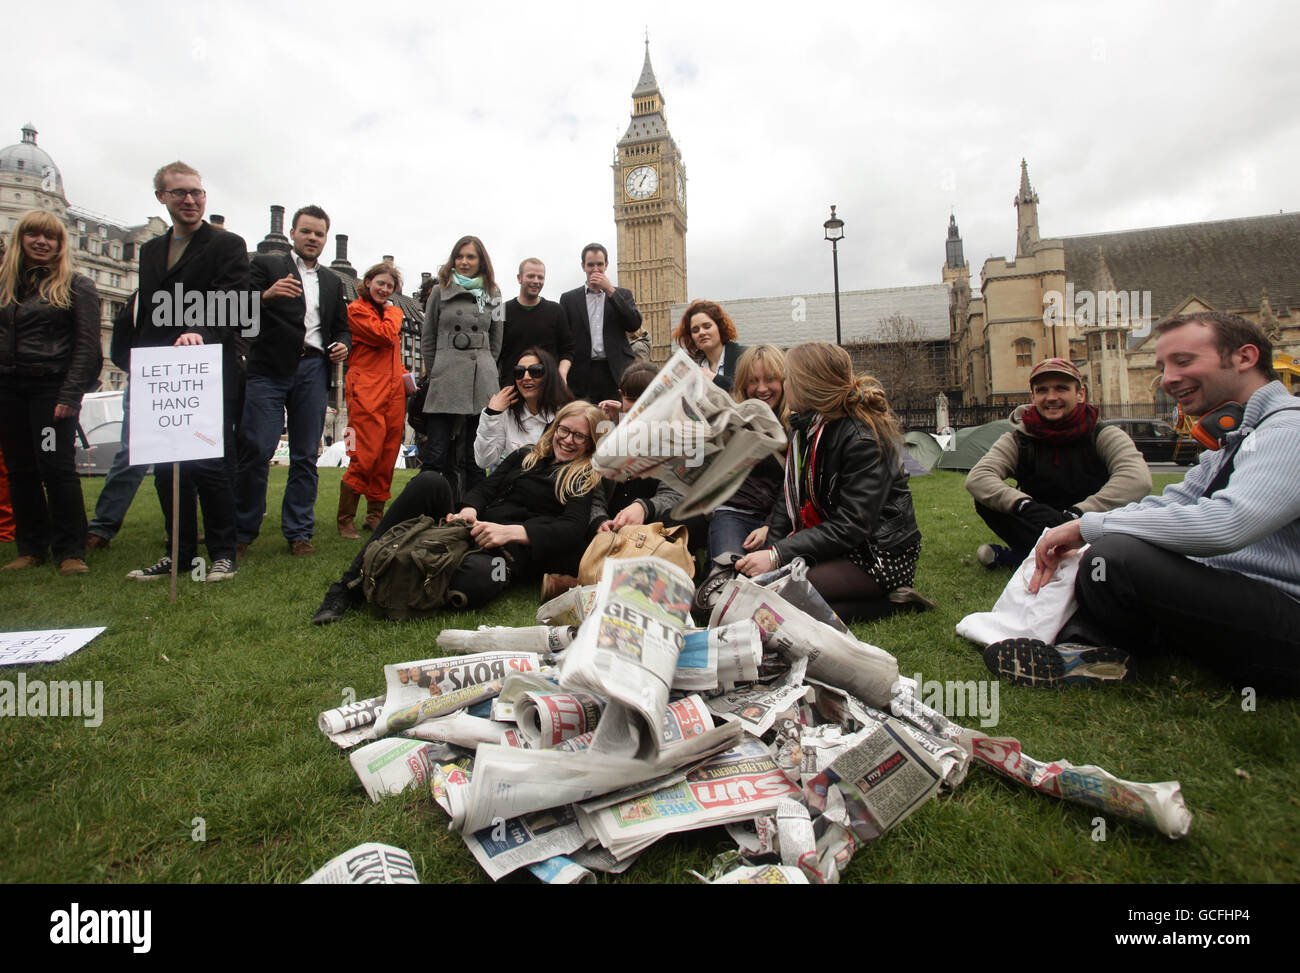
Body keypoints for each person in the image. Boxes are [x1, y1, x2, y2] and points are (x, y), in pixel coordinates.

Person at [984, 312, 1300, 694]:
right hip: (1231, 594)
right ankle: (1093, 651)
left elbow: (1227, 524)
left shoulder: (1286, 430)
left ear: (1244, 357)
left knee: (1115, 556)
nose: (1167, 379)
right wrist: (1061, 526)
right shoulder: (1234, 438)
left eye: (1183, 362)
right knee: (1099, 556)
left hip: (1285, 612)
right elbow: (1172, 501)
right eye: (1163, 367)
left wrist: (1084, 523)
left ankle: (1089, 646)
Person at [311, 401, 605, 624]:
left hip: (504, 554)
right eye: (564, 431)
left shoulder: (582, 476)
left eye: (579, 437)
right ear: (555, 429)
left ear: (590, 444)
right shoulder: (525, 455)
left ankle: (404, 577)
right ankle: (347, 587)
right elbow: (484, 489)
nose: (567, 440)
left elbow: (572, 529)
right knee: (429, 481)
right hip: (469, 528)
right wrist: (469, 510)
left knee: (476, 580)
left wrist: (509, 533)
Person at [734, 342, 933, 623]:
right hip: (839, 546)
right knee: (760, 590)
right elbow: (786, 502)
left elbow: (851, 525)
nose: (785, 385)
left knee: (780, 599)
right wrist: (770, 555)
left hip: (875, 554)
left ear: (807, 386)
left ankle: (892, 604)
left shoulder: (861, 438)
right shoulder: (805, 428)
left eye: (788, 378)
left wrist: (778, 555)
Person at [121, 162, 249, 582]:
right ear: (162, 197)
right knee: (167, 467)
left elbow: (234, 301)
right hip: (162, 370)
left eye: (196, 192)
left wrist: (201, 331)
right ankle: (178, 554)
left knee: (212, 465)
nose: (190, 200)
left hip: (207, 368)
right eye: (179, 193)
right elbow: (147, 314)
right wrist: (136, 360)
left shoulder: (226, 244)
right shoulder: (150, 251)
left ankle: (223, 552)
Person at [237, 204, 351, 558]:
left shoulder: (333, 281)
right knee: (257, 450)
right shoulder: (265, 265)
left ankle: (299, 532)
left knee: (305, 455)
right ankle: (241, 531)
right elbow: (238, 311)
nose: (312, 238)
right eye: (306, 231)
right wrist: (267, 295)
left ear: (325, 239)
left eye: (319, 234)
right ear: (292, 234)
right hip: (269, 369)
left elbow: (342, 327)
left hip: (312, 370)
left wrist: (343, 345)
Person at [965, 356, 1150, 568]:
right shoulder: (1019, 439)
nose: (1051, 397)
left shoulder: (1103, 434)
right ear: (1033, 396)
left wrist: (1077, 514)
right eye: (1042, 390)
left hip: (1091, 523)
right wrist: (1024, 506)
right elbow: (979, 477)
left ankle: (1030, 557)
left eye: (1061, 388)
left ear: (1081, 394)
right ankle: (1054, 555)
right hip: (1040, 520)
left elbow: (1137, 479)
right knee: (987, 502)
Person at [0, 210, 102, 574]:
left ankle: (70, 548)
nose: (42, 242)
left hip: (50, 390)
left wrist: (70, 394)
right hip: (9, 390)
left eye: (51, 237)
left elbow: (88, 347)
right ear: (20, 239)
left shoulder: (76, 286)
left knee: (55, 468)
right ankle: (30, 547)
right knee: (19, 470)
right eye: (35, 235)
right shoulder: (5, 286)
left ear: (61, 245)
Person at [418, 235, 502, 500]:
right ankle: (425, 511)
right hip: (446, 378)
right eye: (460, 256)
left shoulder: (496, 294)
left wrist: (486, 367)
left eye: (471, 257)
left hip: (481, 378)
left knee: (475, 456)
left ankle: (473, 512)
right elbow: (427, 337)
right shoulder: (439, 290)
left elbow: (498, 340)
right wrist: (437, 372)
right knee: (436, 454)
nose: (464, 262)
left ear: (481, 261)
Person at [338, 261, 406, 539]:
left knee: (387, 454)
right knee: (363, 455)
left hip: (392, 392)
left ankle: (374, 515)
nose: (385, 289)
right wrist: (394, 312)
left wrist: (404, 376)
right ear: (367, 282)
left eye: (390, 286)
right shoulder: (357, 310)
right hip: (365, 391)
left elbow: (390, 353)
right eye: (380, 283)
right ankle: (345, 519)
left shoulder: (386, 312)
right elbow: (384, 335)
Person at [708, 345, 787, 560]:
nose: (762, 389)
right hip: (735, 514)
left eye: (770, 379)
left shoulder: (796, 424)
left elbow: (793, 488)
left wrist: (771, 526)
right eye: (753, 381)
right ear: (743, 385)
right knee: (726, 576)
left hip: (782, 519)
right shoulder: (732, 420)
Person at [559, 243, 642, 403]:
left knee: (617, 421)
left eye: (600, 264)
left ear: (606, 265)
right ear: (583, 266)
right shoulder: (569, 299)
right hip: (582, 373)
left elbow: (634, 324)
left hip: (616, 371)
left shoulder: (622, 294)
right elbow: (564, 338)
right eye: (590, 265)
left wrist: (610, 291)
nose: (595, 269)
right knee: (584, 422)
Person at [474, 347, 572, 471]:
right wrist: (491, 414)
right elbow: (484, 461)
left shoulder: (569, 413)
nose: (526, 377)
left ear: (550, 376)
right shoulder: (506, 413)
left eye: (535, 371)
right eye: (519, 372)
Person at [498, 259, 573, 387]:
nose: (536, 281)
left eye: (540, 277)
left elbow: (568, 349)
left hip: (548, 387)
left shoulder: (556, 310)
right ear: (519, 278)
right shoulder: (501, 311)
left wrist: (561, 374)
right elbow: (494, 352)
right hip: (512, 389)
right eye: (531, 276)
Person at [674, 299, 746, 393]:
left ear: (719, 327)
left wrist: (713, 378)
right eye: (695, 330)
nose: (702, 333)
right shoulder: (694, 366)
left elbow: (746, 390)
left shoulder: (743, 356)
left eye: (707, 326)